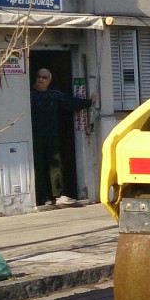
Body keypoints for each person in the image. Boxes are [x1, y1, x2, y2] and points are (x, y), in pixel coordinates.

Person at [30, 68, 96, 205]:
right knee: (38, 167)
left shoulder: (54, 94)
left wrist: (89, 102)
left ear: (49, 80)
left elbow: (70, 103)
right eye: (39, 76)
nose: (41, 79)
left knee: (55, 167)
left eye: (44, 77)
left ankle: (58, 195)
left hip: (52, 136)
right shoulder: (29, 95)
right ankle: (42, 197)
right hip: (34, 137)